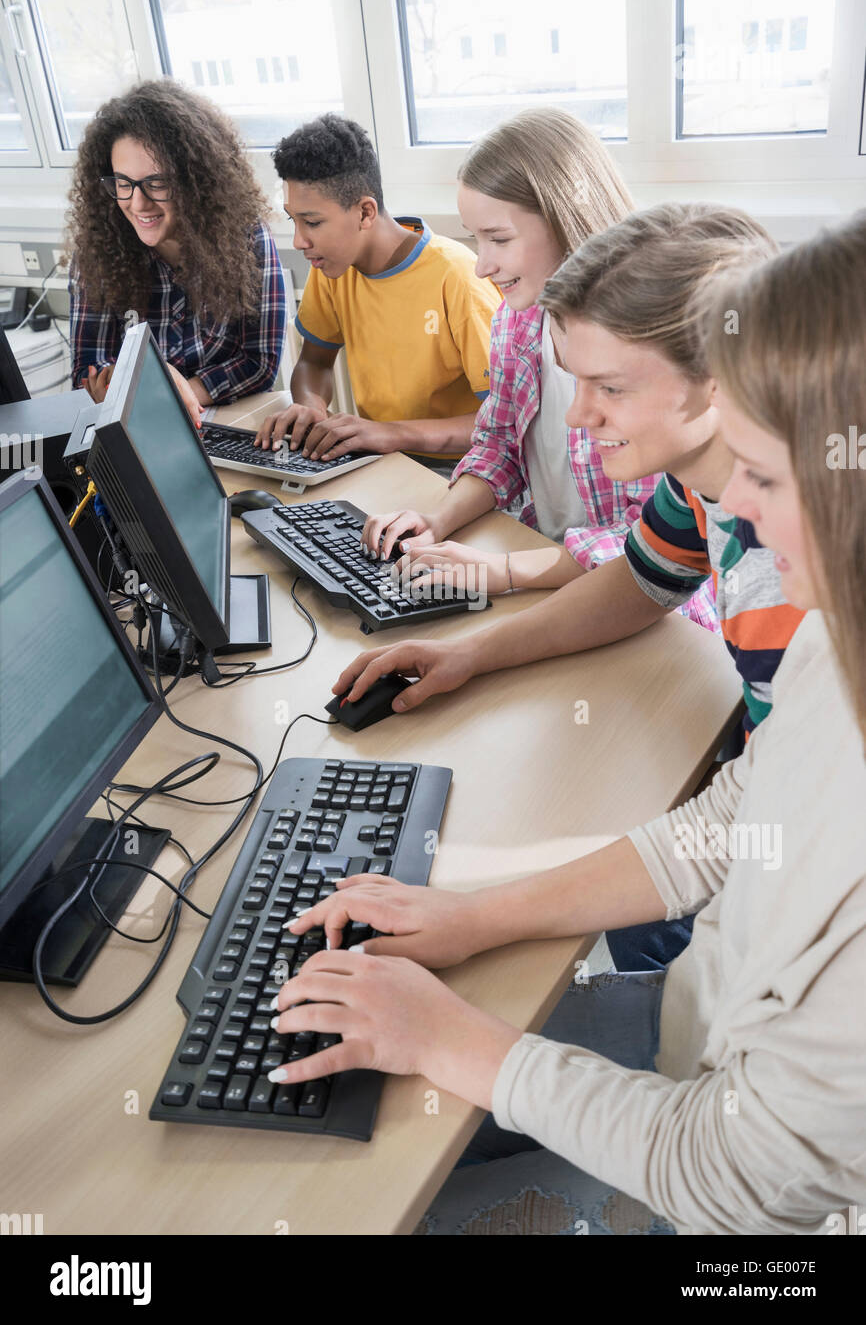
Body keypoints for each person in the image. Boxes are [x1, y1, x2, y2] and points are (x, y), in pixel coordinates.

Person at [269, 209, 866, 1235]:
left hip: (737, 1184)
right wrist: (473, 915)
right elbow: (738, 813)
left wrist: (456, 1044)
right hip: (705, 1021)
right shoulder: (834, 629)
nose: (743, 523)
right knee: (340, 1093)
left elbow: (733, 1174)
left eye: (762, 479)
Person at [359, 109, 713, 629]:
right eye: (475, 239)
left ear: (566, 217)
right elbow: (499, 445)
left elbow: (652, 546)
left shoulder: (648, 346)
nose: (481, 264)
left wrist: (502, 570)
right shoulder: (516, 320)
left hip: (649, 607)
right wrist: (437, 519)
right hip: (539, 563)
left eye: (498, 239)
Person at [253, 113, 500, 467]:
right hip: (381, 457)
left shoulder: (458, 277)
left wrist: (393, 432)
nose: (299, 240)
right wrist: (310, 407)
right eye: (294, 220)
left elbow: (504, 421)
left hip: (464, 467)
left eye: (313, 222)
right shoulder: (331, 267)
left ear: (365, 212)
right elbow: (314, 363)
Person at [67, 78, 286, 421]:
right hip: (141, 422)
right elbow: (87, 371)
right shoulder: (97, 250)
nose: (138, 203)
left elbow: (259, 363)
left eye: (156, 183)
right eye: (123, 184)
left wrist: (180, 389)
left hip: (232, 421)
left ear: (195, 179)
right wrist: (148, 383)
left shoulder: (247, 238)